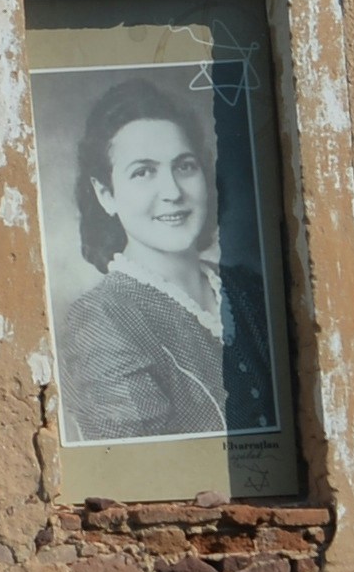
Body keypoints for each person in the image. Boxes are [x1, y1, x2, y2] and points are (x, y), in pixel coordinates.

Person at [54, 74, 283, 444]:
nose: (173, 191)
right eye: (143, 172)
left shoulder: (250, 287)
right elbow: (139, 472)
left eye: (184, 166)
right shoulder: (100, 321)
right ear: (105, 194)